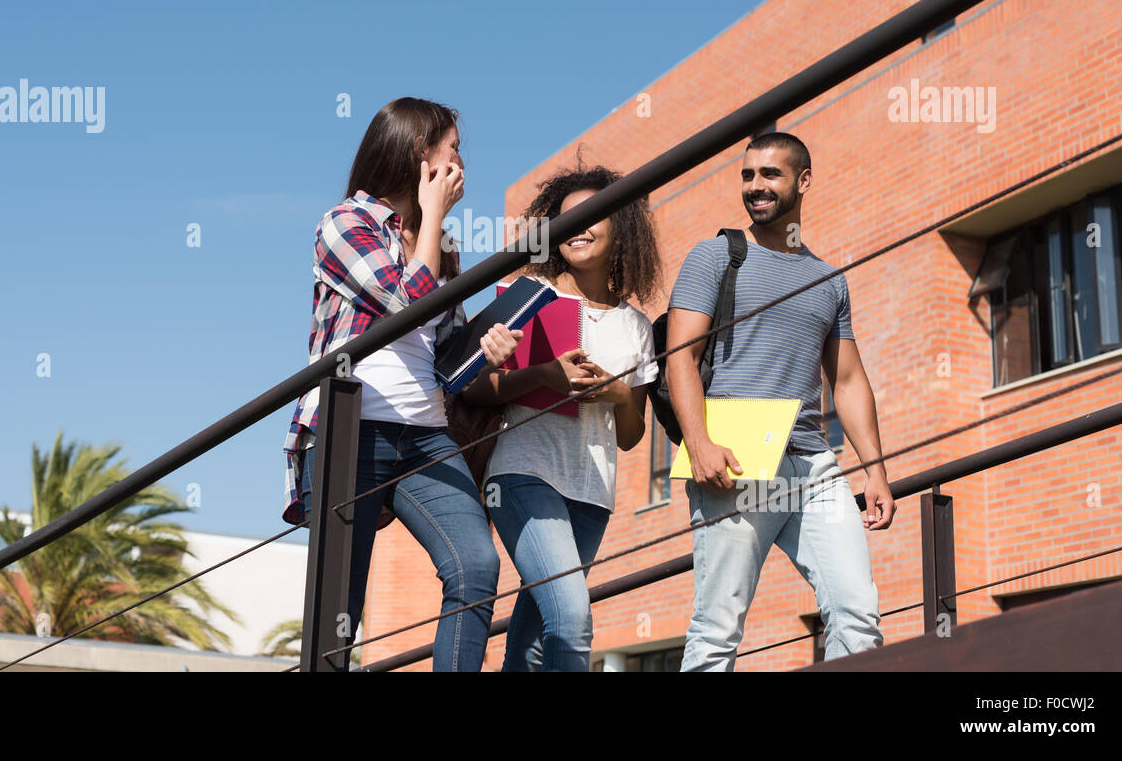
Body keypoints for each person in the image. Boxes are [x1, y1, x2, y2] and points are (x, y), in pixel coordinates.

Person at [281, 96, 522, 672]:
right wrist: (434, 217)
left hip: (425, 433)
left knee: (476, 566)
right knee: (343, 601)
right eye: (455, 147)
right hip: (350, 428)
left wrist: (485, 352)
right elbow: (401, 304)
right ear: (421, 154)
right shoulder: (344, 223)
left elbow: (444, 353)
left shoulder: (441, 246)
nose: (464, 160)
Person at [665, 131, 895, 670]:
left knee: (857, 612)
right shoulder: (715, 256)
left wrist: (875, 469)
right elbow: (679, 356)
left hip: (814, 460)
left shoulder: (828, 280)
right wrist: (698, 443)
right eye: (748, 175)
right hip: (736, 456)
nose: (755, 186)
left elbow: (849, 381)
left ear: (803, 181)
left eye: (770, 174)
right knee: (719, 626)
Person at [463, 164, 663, 671]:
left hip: (592, 496)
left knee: (531, 643)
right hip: (523, 474)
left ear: (622, 230)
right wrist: (543, 377)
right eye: (566, 219)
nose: (578, 227)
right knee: (572, 620)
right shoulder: (527, 295)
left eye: (594, 216)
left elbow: (632, 437)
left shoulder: (636, 327)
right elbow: (477, 390)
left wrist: (617, 392)